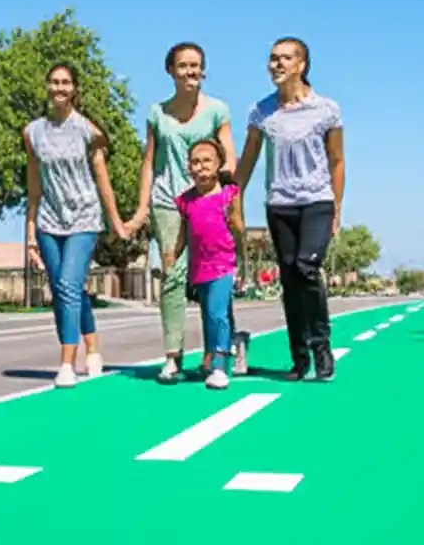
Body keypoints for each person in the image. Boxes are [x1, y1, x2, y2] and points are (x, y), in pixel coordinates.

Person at [124, 42, 235, 383]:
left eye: (196, 65)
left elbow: (229, 158)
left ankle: (214, 354)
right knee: (173, 278)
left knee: (210, 278)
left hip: (206, 201)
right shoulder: (158, 112)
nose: (191, 71)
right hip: (167, 202)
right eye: (183, 65)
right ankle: (173, 356)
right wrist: (141, 209)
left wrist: (221, 193)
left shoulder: (217, 110)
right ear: (170, 70)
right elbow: (148, 162)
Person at [235, 36, 344, 381]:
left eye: (285, 58)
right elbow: (248, 160)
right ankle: (299, 357)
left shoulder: (326, 110)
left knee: (306, 269)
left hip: (317, 201)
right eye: (272, 58)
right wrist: (231, 201)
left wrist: (336, 208)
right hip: (280, 204)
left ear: (301, 65)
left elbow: (337, 160)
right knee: (290, 280)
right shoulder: (261, 111)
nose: (277, 64)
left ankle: (321, 345)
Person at [25, 63, 129, 388]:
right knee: (61, 291)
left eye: (66, 83)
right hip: (48, 221)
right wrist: (29, 231)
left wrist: (116, 223)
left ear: (74, 89)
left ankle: (67, 362)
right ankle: (93, 341)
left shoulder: (88, 130)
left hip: (84, 217)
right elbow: (33, 184)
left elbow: (102, 178)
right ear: (47, 86)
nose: (59, 88)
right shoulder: (32, 132)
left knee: (69, 286)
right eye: (54, 82)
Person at [172, 138, 245, 389]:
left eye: (207, 161)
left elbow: (238, 228)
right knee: (209, 316)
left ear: (218, 165)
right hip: (199, 267)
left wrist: (243, 264)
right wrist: (172, 255)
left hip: (224, 263)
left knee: (217, 314)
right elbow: (184, 234)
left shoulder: (228, 195)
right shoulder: (185, 201)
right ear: (189, 168)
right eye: (195, 162)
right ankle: (232, 345)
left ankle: (220, 366)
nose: (201, 166)